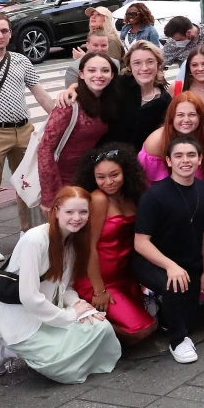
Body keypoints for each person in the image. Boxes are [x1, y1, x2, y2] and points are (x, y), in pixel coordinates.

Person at [0, 186, 121, 382]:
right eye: (69, 212)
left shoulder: (74, 239)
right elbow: (29, 297)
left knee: (101, 328)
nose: (77, 218)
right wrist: (69, 315)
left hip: (51, 310)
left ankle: (45, 348)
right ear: (56, 211)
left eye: (83, 212)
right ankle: (7, 346)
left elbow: (65, 286)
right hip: (23, 318)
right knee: (62, 370)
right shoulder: (35, 240)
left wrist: (79, 306)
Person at [127, 136, 204, 364]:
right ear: (168, 160)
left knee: (190, 319)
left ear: (199, 159)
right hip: (152, 261)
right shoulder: (154, 196)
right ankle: (177, 342)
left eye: (191, 155)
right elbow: (141, 242)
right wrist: (170, 266)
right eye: (178, 156)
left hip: (189, 262)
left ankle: (164, 315)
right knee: (174, 286)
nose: (185, 161)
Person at [72, 144, 157, 345]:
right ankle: (78, 329)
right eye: (101, 177)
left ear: (125, 172)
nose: (108, 182)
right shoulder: (98, 199)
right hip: (98, 280)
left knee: (154, 323)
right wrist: (98, 290)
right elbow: (88, 247)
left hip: (126, 278)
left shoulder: (132, 196)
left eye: (114, 175)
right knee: (141, 330)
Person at [38, 53, 119, 209]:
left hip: (87, 176)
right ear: (81, 74)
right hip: (61, 179)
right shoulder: (70, 104)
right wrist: (49, 196)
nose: (98, 75)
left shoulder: (107, 100)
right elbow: (45, 149)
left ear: (112, 74)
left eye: (104, 70)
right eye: (92, 70)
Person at [139, 92, 204, 192]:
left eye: (192, 114)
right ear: (171, 118)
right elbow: (146, 185)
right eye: (180, 115)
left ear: (200, 117)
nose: (186, 120)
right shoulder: (156, 143)